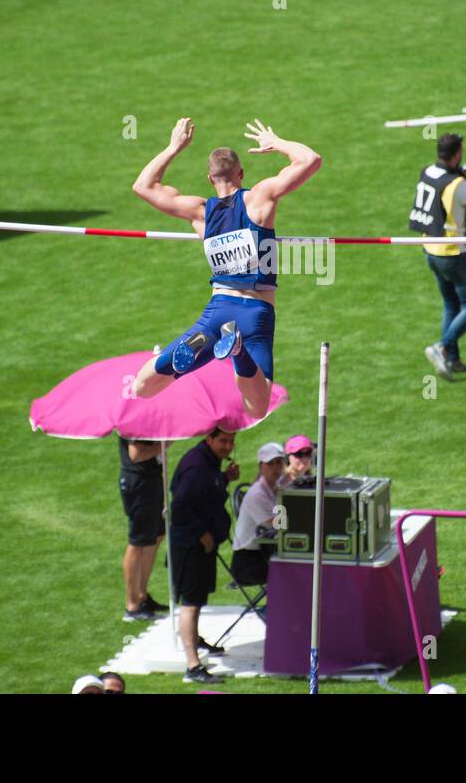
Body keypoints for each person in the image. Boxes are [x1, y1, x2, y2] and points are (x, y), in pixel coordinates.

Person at [131, 118, 322, 417]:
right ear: (241, 173)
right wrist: (277, 143)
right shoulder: (260, 198)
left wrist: (173, 147)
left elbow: (143, 186)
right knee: (258, 408)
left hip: (217, 310)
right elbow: (310, 160)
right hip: (255, 313)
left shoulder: (199, 213)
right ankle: (238, 351)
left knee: (142, 388)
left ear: (210, 179)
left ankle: (202, 344)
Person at [411, 133, 466, 380]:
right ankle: (443, 346)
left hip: (430, 249)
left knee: (451, 304)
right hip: (453, 253)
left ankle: (452, 360)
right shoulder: (458, 184)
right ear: (456, 154)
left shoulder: (427, 172)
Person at [168, 427, 240, 684]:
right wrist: (202, 534)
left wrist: (225, 478)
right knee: (190, 602)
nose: (228, 446)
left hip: (200, 546)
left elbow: (204, 494)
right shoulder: (197, 466)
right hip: (190, 547)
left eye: (231, 441)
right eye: (223, 441)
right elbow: (179, 506)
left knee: (197, 600)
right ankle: (192, 665)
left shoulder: (209, 463)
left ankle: (194, 641)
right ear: (209, 439)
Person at [117, 437, 169, 622]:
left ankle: (142, 596)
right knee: (138, 542)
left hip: (150, 479)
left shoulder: (146, 413)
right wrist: (164, 445)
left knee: (156, 536)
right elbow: (136, 454)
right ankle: (132, 606)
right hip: (138, 482)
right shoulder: (133, 418)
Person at [230, 442, 286, 587]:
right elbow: (278, 525)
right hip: (248, 564)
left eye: (279, 462)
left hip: (264, 555)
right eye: (270, 464)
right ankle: (278, 608)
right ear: (260, 467)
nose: (275, 468)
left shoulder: (276, 488)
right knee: (295, 569)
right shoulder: (257, 495)